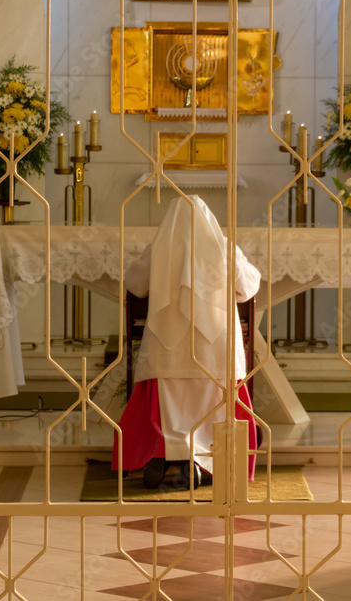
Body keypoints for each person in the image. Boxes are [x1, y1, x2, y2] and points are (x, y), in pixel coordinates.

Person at [113, 196, 261, 489]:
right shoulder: (224, 247)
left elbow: (135, 285)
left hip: (167, 351)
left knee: (169, 399)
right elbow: (247, 288)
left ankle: (166, 452)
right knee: (216, 397)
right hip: (214, 355)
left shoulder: (159, 248)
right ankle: (208, 457)